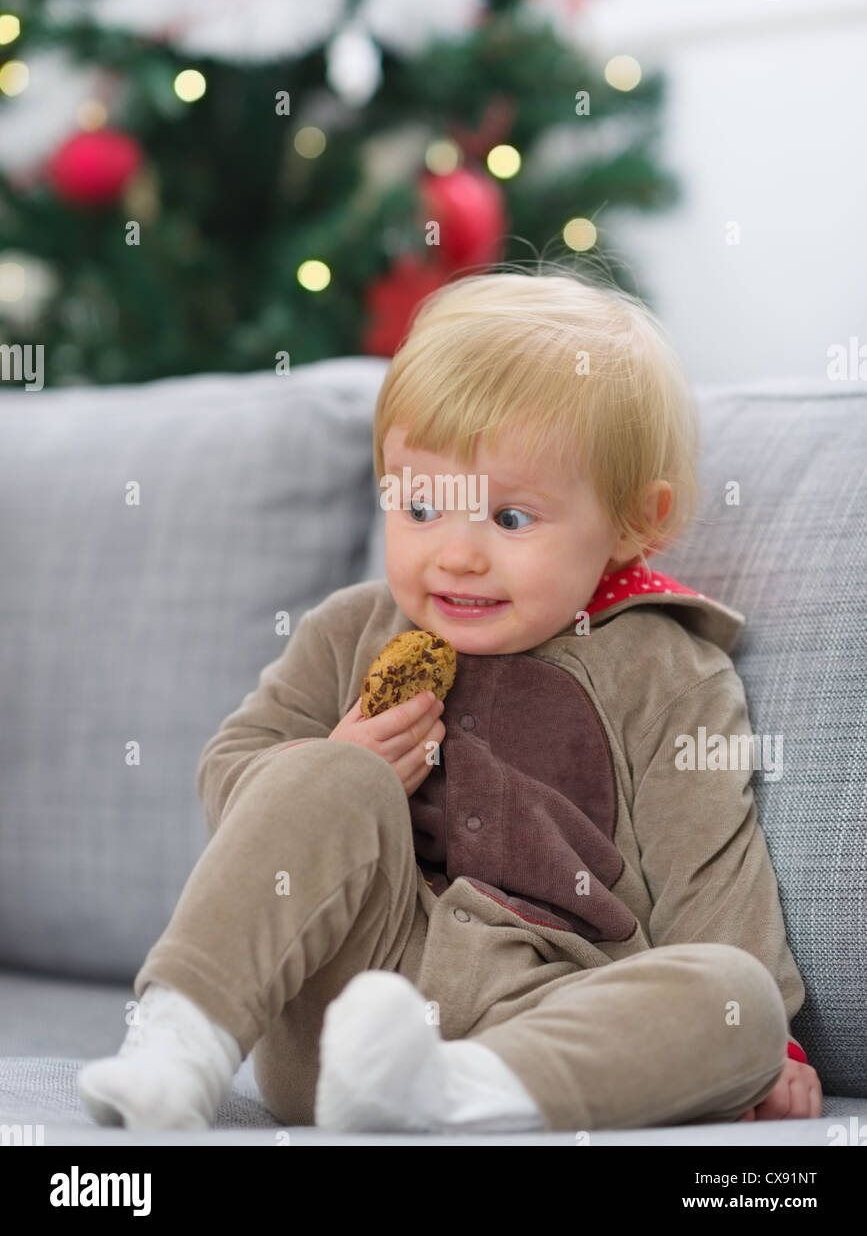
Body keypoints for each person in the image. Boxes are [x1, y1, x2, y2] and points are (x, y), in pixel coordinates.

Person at [78, 265, 822, 1133]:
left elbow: (711, 879)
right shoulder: (349, 629)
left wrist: (767, 1047)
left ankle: (450, 1097)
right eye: (421, 505)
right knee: (327, 774)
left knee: (734, 998)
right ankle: (178, 1047)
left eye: (509, 520)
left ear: (630, 521)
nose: (456, 555)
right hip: (347, 996)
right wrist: (332, 760)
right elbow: (228, 777)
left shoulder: (670, 671)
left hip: (550, 1006)